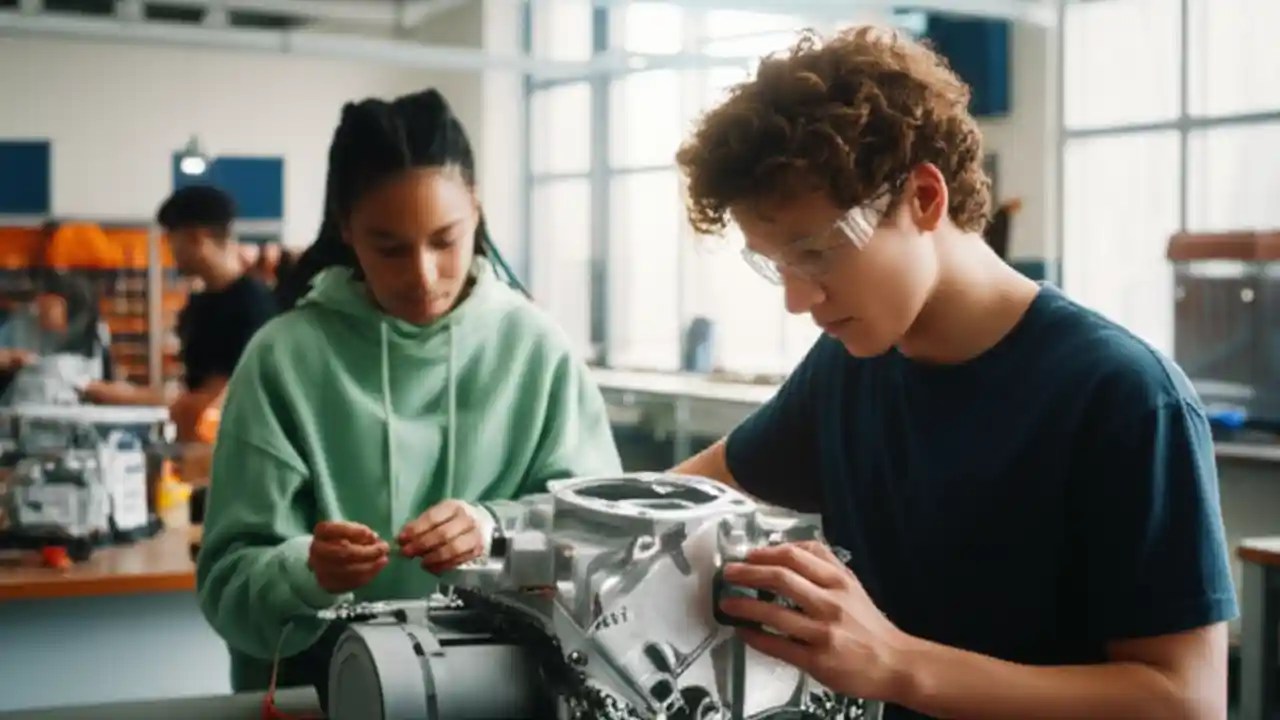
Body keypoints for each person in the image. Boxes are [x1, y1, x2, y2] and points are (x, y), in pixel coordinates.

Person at [672, 27, 1235, 720]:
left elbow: (1186, 702)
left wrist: (899, 665)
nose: (797, 298)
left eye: (816, 252)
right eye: (775, 264)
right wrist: (518, 528)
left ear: (925, 198)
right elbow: (685, 495)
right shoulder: (848, 368)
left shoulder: (1123, 397)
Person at [196, 88, 622, 698]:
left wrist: (495, 531)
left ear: (475, 211)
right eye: (389, 248)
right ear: (346, 230)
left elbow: (599, 551)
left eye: (445, 241)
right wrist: (305, 573)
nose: (422, 275)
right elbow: (227, 588)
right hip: (323, 697)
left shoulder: (537, 349)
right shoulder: (282, 360)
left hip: (500, 698)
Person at [82, 186, 277, 437]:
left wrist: (127, 397)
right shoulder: (199, 305)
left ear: (196, 238)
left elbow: (214, 404)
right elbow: (192, 391)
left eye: (172, 241)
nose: (171, 253)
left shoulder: (252, 307)